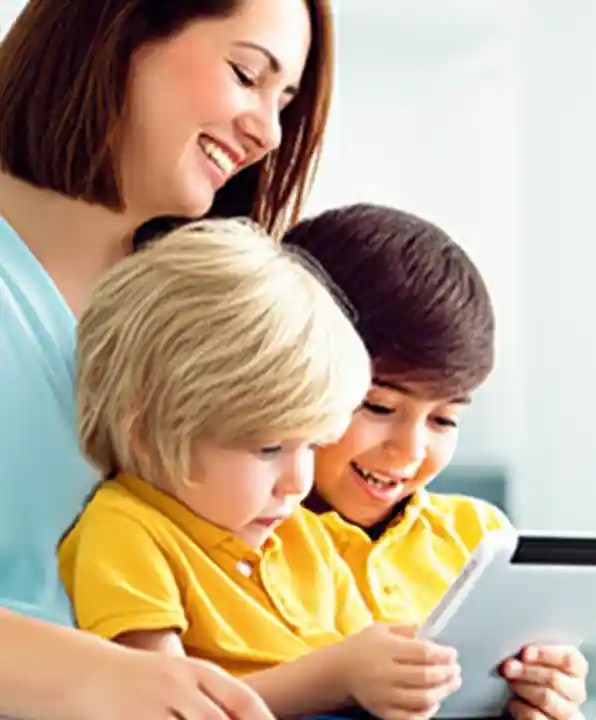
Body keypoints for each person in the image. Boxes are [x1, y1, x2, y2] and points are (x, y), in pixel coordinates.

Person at [0, 1, 334, 717]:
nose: (269, 133)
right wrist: (93, 676)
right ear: (116, 30)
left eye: (285, 102)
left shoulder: (206, 309)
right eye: (247, 74)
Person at [286, 204, 596, 720]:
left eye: (444, 421)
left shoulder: (476, 534)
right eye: (379, 407)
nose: (409, 452)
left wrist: (547, 694)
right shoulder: (250, 530)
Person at [59, 219, 463, 720]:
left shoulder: (306, 538)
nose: (298, 482)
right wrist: (339, 675)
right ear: (146, 430)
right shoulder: (126, 531)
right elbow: (165, 707)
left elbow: (370, 669)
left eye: (313, 445)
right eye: (269, 447)